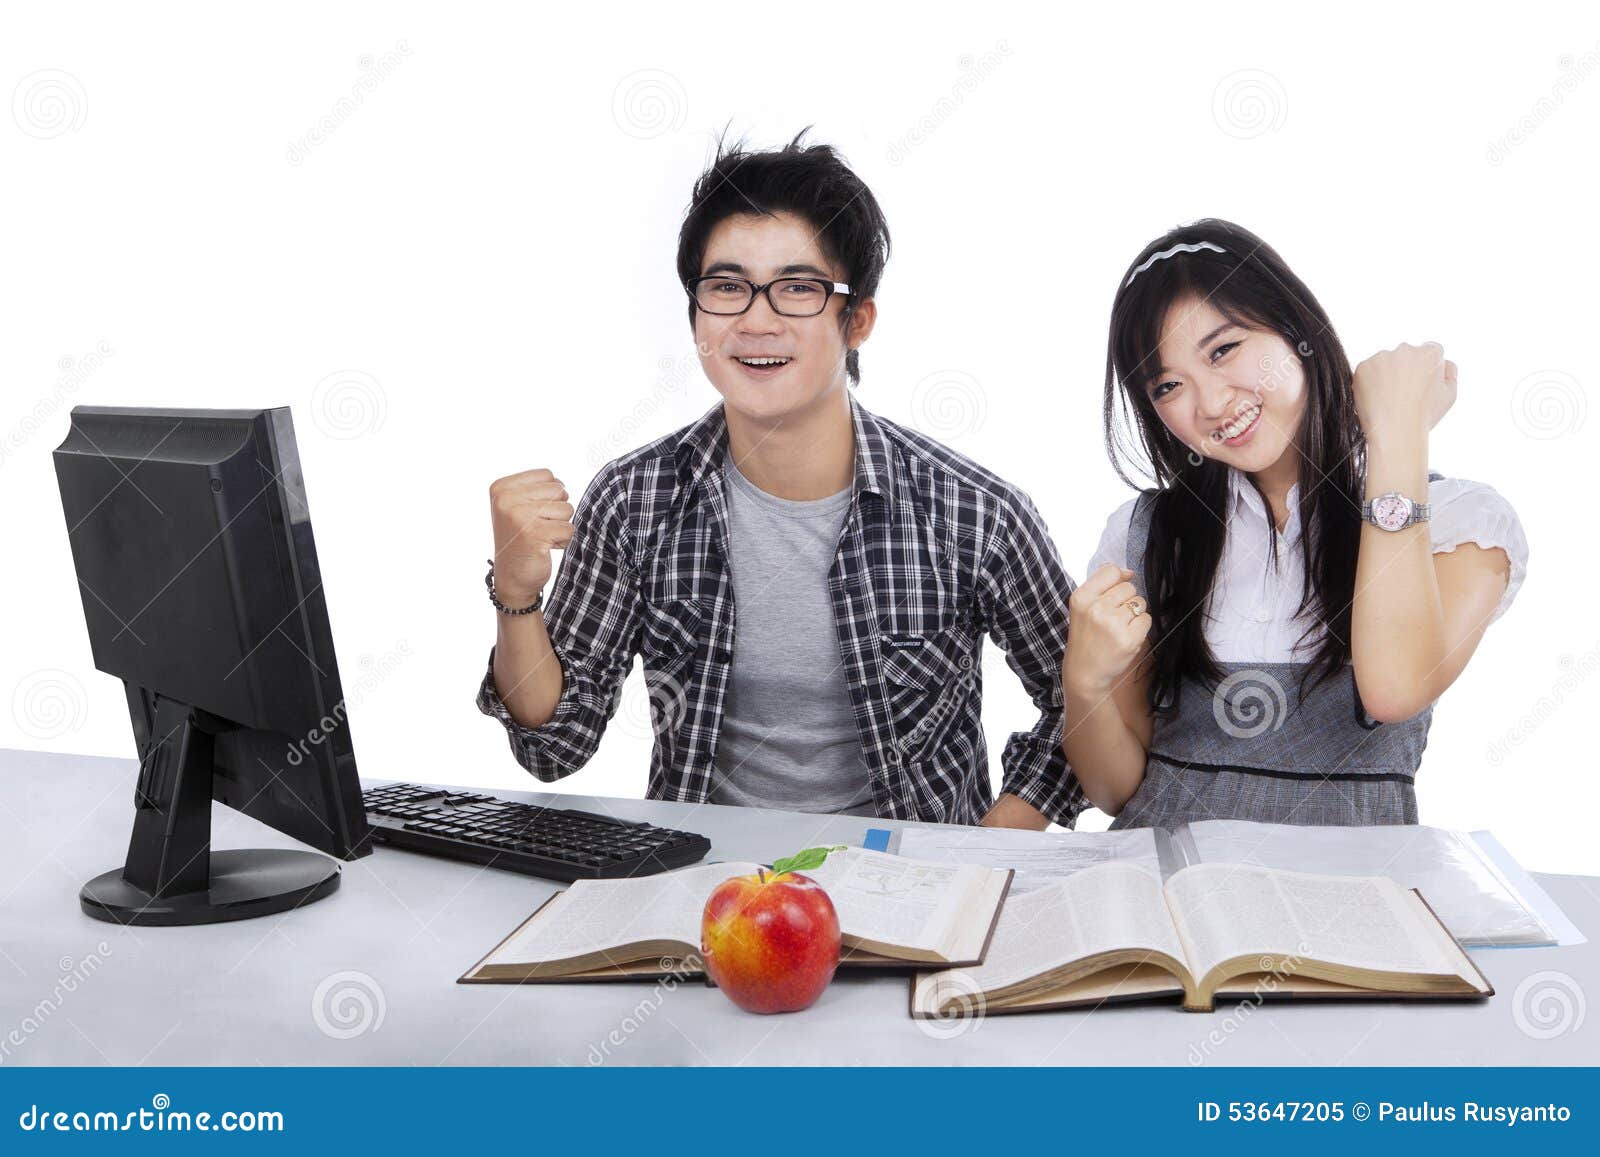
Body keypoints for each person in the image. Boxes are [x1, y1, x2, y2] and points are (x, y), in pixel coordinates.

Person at [478, 132, 1081, 828]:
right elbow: (557, 744)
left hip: (913, 898)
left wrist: (981, 851)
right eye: (728, 287)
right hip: (702, 890)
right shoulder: (634, 500)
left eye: (796, 289)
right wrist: (517, 594)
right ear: (696, 317)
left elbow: (1087, 700)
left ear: (856, 320)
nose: (756, 320)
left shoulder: (973, 511)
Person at [1063, 219, 1528, 827]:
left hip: (1343, 906)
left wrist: (1396, 436)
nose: (1210, 403)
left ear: (1295, 329)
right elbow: (1120, 794)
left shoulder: (1461, 524)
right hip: (1164, 895)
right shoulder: (1146, 533)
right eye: (1170, 385)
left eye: (1224, 349)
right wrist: (1083, 685)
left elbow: (1394, 690)